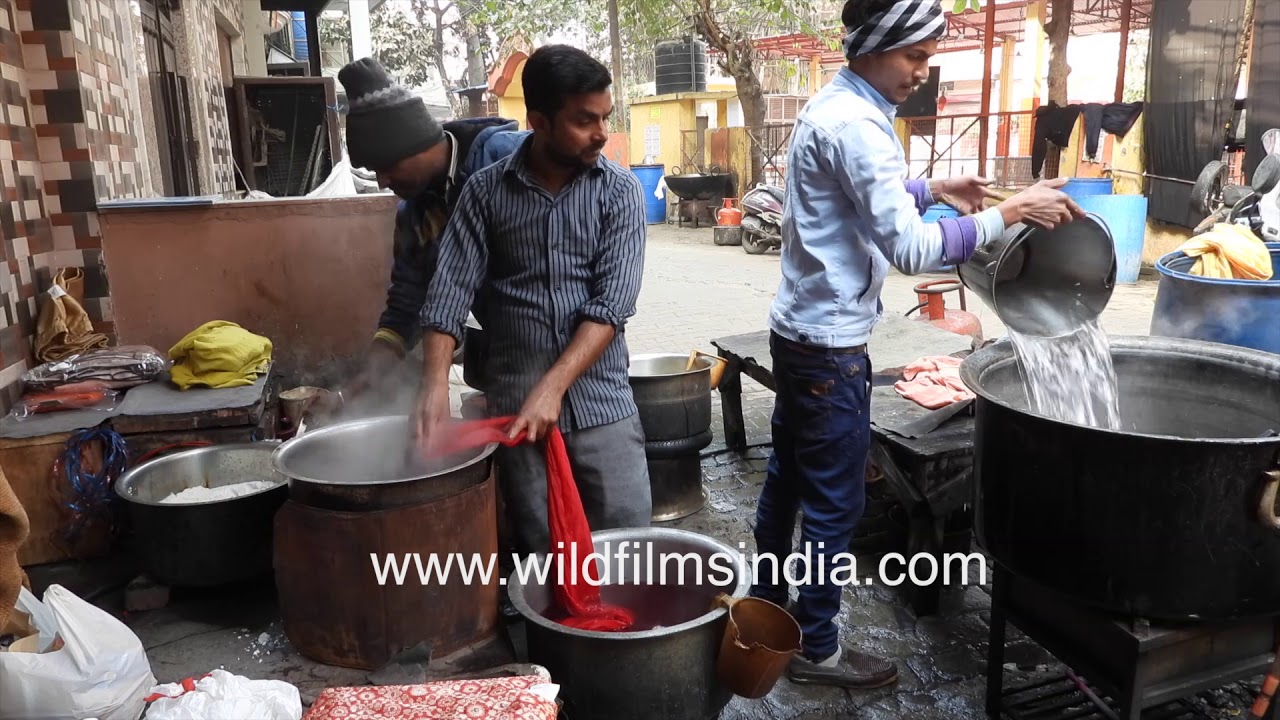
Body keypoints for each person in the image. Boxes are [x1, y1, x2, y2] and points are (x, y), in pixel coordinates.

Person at [749, 0, 1085, 689]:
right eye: (915, 57)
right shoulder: (858, 124)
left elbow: (856, 197)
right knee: (835, 502)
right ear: (877, 47)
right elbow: (909, 247)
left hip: (800, 332)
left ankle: (765, 599)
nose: (921, 74)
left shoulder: (837, 107)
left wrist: (932, 184)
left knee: (788, 472)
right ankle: (817, 648)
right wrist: (1007, 213)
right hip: (829, 348)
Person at [413, 45, 651, 558]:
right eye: (584, 120)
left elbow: (610, 304)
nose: (602, 133)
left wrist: (553, 388)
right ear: (538, 121)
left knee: (629, 556)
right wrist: (433, 385)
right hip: (517, 415)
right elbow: (448, 294)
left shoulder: (621, 194)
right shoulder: (484, 193)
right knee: (547, 560)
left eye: (605, 117)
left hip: (602, 409)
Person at [336, 57, 528, 397]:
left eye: (386, 166)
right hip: (504, 370)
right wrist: (372, 374)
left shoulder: (505, 160)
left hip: (566, 362)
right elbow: (407, 301)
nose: (382, 181)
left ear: (414, 144)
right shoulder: (414, 214)